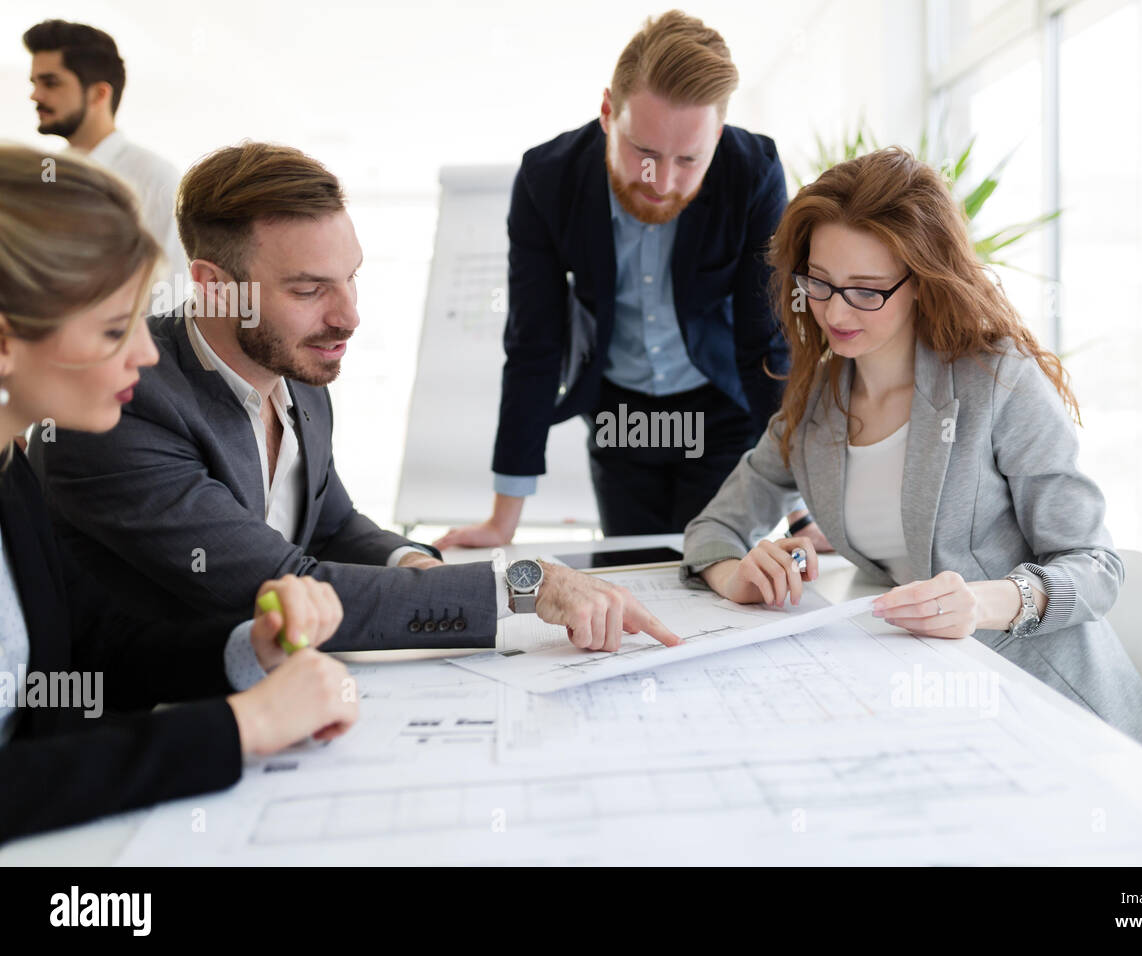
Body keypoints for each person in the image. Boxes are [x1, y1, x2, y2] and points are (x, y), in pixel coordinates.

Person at [29, 141, 675, 655]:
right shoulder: (118, 403)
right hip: (142, 720)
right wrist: (519, 589)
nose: (348, 317)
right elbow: (286, 583)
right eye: (309, 290)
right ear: (213, 285)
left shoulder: (298, 370)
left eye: (352, 279)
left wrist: (417, 566)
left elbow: (333, 526)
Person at [681, 148, 1142, 755]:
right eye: (821, 283)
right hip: (935, 710)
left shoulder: (996, 383)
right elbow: (715, 526)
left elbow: (1096, 565)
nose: (835, 311)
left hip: (1063, 720)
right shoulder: (816, 404)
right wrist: (735, 574)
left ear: (922, 280)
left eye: (866, 291)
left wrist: (988, 601)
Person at [0, 145, 358, 842]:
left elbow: (80, 654)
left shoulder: (10, 472)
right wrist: (240, 728)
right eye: (112, 328)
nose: (144, 352)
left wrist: (248, 652)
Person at [435, 10, 824, 548]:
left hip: (719, 408)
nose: (662, 182)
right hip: (619, 413)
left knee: (715, 569)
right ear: (606, 113)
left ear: (717, 136)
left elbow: (766, 342)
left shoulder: (750, 172)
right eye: (643, 152)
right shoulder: (547, 180)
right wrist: (503, 521)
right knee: (633, 574)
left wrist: (803, 505)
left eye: (689, 159)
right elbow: (535, 346)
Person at [24, 19, 189, 309]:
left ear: (100, 93)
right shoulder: (43, 174)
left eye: (50, 83)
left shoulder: (154, 177)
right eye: (35, 83)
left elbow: (166, 299)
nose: (35, 95)